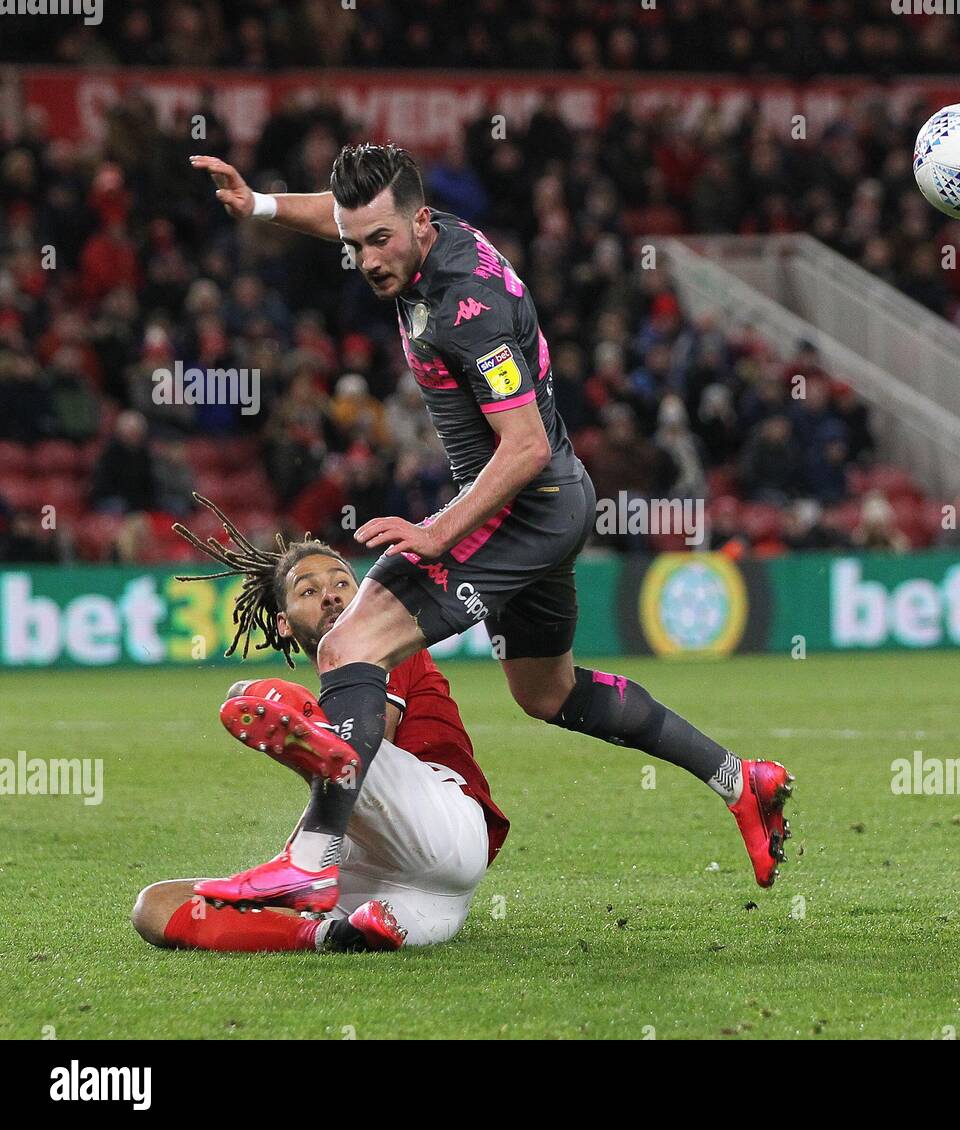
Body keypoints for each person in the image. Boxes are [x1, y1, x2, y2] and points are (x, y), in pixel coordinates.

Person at [186, 144, 793, 908]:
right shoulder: (424, 237)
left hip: (523, 503)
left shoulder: (462, 308)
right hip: (551, 503)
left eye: (380, 242)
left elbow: (526, 445)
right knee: (548, 694)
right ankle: (743, 782)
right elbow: (348, 216)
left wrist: (439, 532)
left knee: (350, 642)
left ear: (420, 224)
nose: (368, 260)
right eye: (354, 245)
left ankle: (314, 857)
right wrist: (264, 207)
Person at [130, 496, 506, 952]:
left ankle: (311, 868)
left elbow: (361, 755)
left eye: (342, 583)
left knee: (248, 695)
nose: (329, 595)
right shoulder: (336, 688)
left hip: (443, 831)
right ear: (285, 625)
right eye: (308, 590)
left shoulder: (389, 644)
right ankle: (325, 934)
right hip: (417, 897)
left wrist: (304, 852)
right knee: (156, 906)